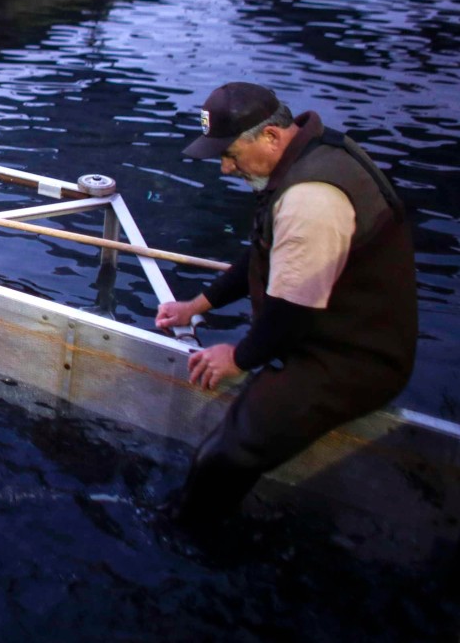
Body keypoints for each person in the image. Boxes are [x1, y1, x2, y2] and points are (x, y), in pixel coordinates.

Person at [154, 81, 417, 527]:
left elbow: (291, 313)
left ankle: (190, 536)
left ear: (271, 136)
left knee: (227, 451)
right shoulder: (314, 155)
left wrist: (237, 358)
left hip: (353, 358)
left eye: (230, 154)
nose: (225, 169)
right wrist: (196, 305)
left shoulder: (310, 199)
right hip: (324, 330)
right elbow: (265, 255)